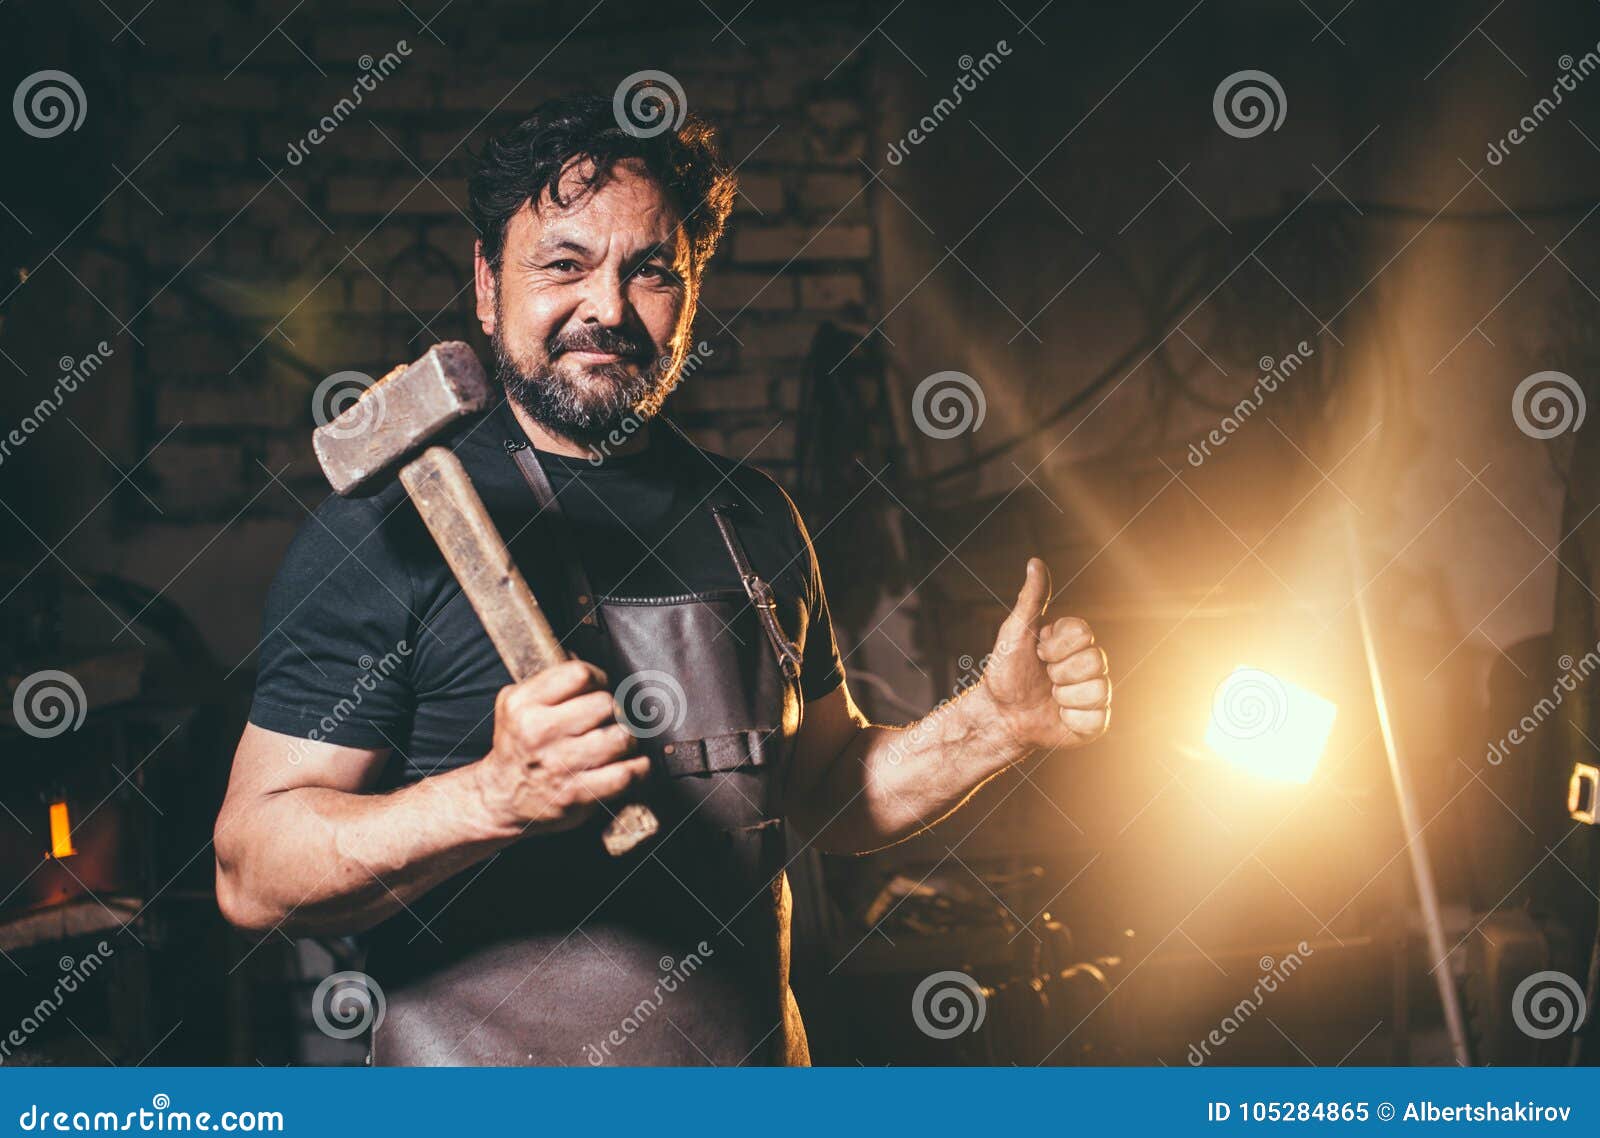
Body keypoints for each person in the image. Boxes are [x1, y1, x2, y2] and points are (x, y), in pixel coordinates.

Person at [214, 93, 1111, 1066]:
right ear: (486, 281)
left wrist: (993, 724)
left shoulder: (753, 518)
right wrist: (490, 797)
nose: (606, 308)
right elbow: (253, 871)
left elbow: (827, 789)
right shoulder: (381, 531)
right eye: (564, 263)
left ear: (690, 290)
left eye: (650, 271)